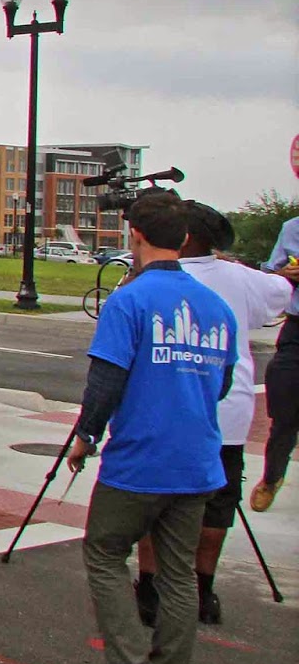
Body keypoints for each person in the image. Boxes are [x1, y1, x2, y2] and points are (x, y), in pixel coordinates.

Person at [59, 194, 235, 664]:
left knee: (105, 551)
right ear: (183, 240)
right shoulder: (216, 307)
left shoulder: (130, 301)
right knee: (179, 575)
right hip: (199, 457)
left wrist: (86, 435)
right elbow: (221, 384)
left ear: (134, 234)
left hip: (141, 457)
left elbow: (106, 380)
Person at [131, 201, 288, 625]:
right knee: (218, 504)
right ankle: (202, 589)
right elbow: (281, 293)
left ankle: (149, 585)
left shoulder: (149, 281)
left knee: (154, 501)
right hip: (228, 411)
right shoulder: (241, 279)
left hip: (164, 411)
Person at [252, 214, 299, 512]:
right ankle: (272, 477)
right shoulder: (292, 228)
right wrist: (284, 275)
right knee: (284, 407)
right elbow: (271, 274)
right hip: (296, 327)